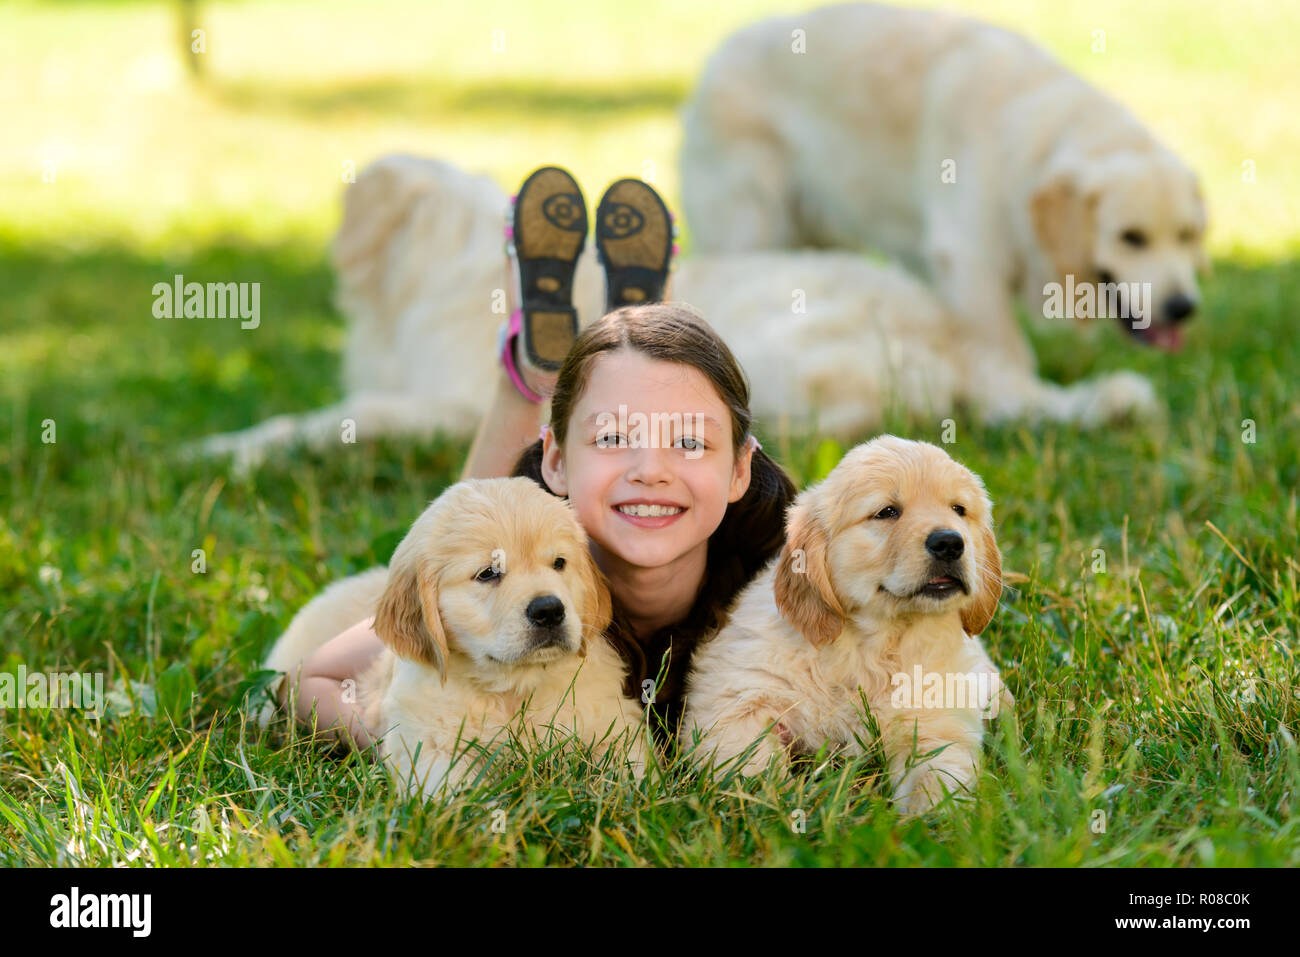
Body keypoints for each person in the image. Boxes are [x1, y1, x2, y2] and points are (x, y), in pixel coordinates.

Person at [280, 166, 796, 749]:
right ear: (554, 463)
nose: (651, 469)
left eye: (689, 441)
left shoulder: (782, 581)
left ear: (739, 470)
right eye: (613, 437)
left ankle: (634, 339)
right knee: (475, 520)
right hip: (524, 524)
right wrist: (406, 732)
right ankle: (536, 373)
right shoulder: (519, 563)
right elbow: (313, 678)